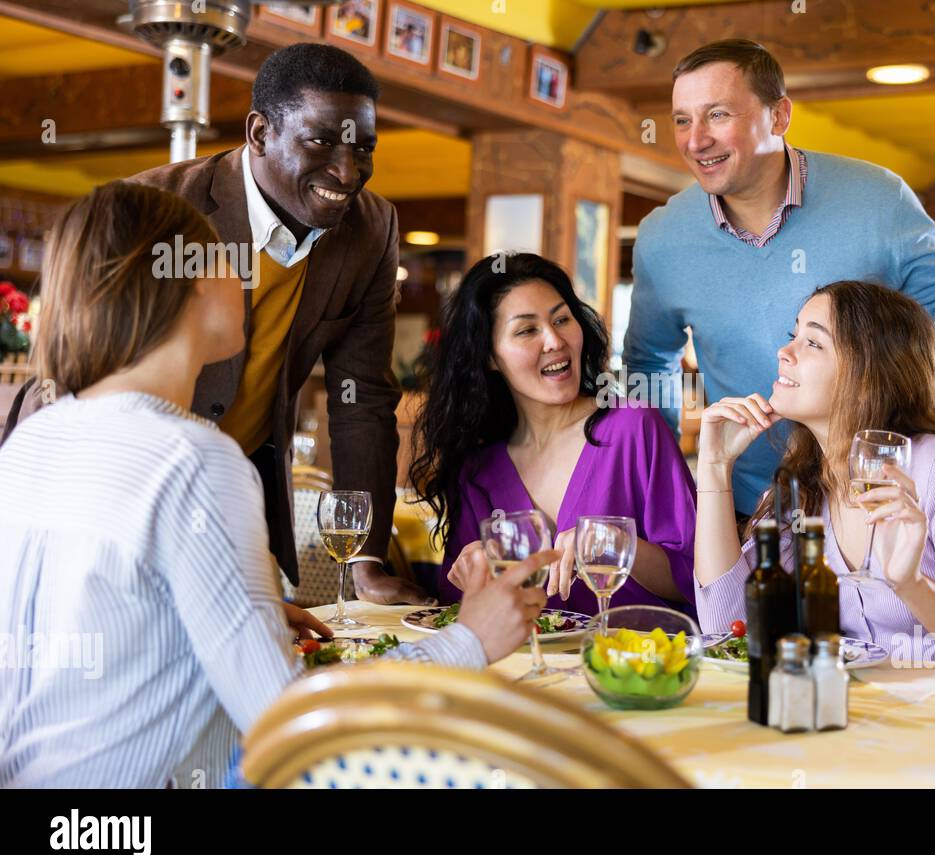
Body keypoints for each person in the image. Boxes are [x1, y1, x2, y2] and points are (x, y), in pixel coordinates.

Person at [0, 182, 553, 788]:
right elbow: (289, 718)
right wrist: (470, 640)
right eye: (224, 258)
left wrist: (237, 616)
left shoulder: (36, 438)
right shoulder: (196, 461)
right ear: (178, 283)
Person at [2, 43, 422, 605]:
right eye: (321, 140)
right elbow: (73, 359)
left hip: (236, 489)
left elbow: (363, 397)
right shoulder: (151, 208)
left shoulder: (371, 228)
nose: (347, 172)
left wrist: (365, 559)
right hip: (107, 484)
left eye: (363, 147)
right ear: (259, 133)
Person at [624, 39, 935, 518]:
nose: (695, 140)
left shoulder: (878, 199)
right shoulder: (664, 238)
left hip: (875, 504)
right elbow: (648, 362)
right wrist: (670, 482)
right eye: (682, 120)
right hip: (743, 510)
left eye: (718, 115)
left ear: (779, 116)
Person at [693, 279, 935, 671]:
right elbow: (727, 628)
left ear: (866, 374)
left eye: (813, 343)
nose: (784, 352)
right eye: (794, 336)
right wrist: (715, 468)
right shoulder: (803, 483)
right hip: (850, 720)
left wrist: (912, 586)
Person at [411, 253, 697, 616]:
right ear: (489, 357)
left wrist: (614, 543)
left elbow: (693, 579)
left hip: (636, 662)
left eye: (562, 319)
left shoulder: (633, 427)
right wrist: (474, 576)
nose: (554, 340)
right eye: (527, 330)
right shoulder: (477, 471)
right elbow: (461, 611)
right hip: (525, 668)